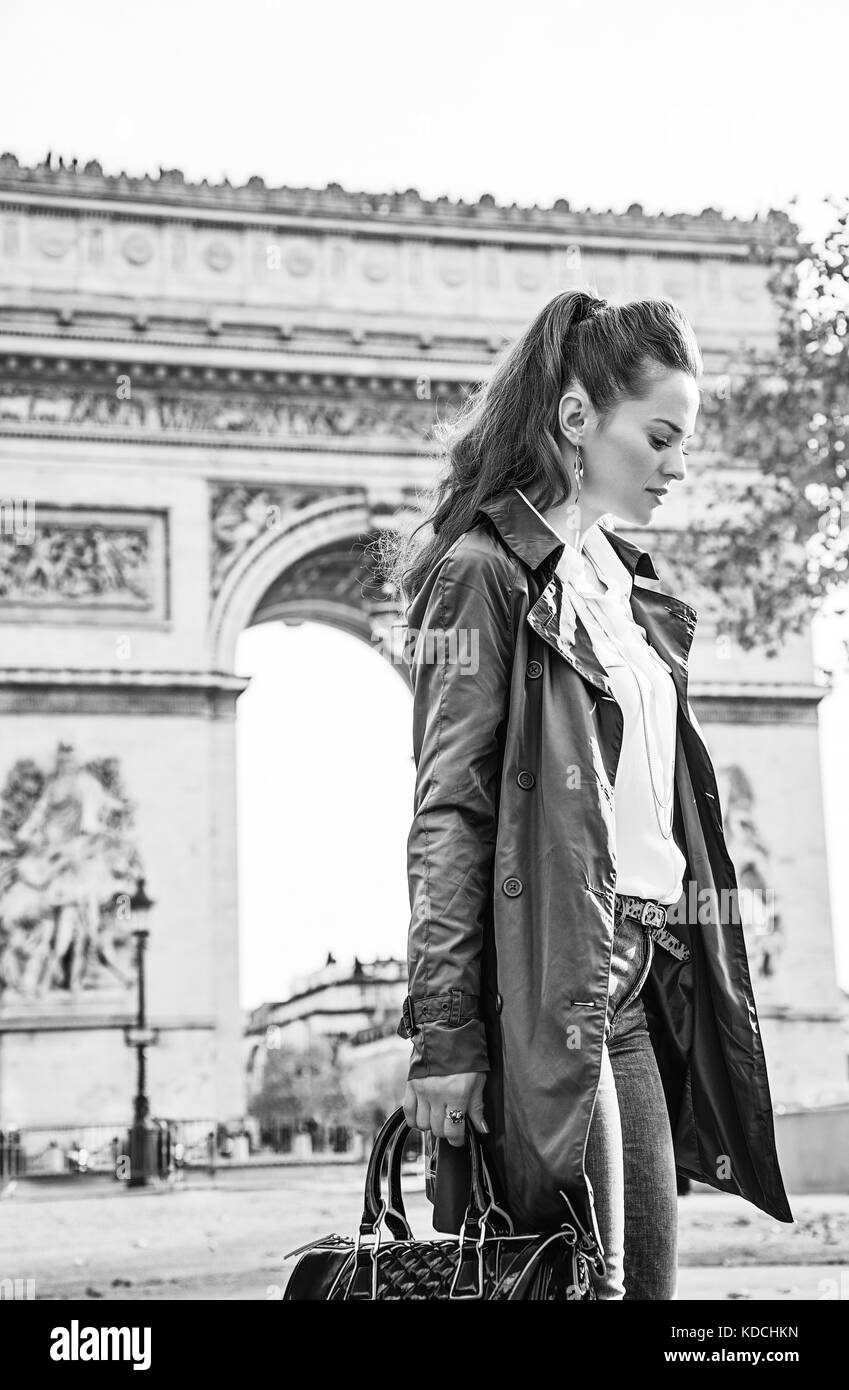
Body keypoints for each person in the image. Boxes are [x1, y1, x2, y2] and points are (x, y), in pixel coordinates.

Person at [378, 289, 793, 1300]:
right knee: (576, 1287)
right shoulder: (483, 574)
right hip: (553, 980)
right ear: (575, 417)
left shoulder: (627, 586)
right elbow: (451, 814)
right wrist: (444, 1036)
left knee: (643, 1291)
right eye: (660, 435)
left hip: (645, 975)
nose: (680, 464)